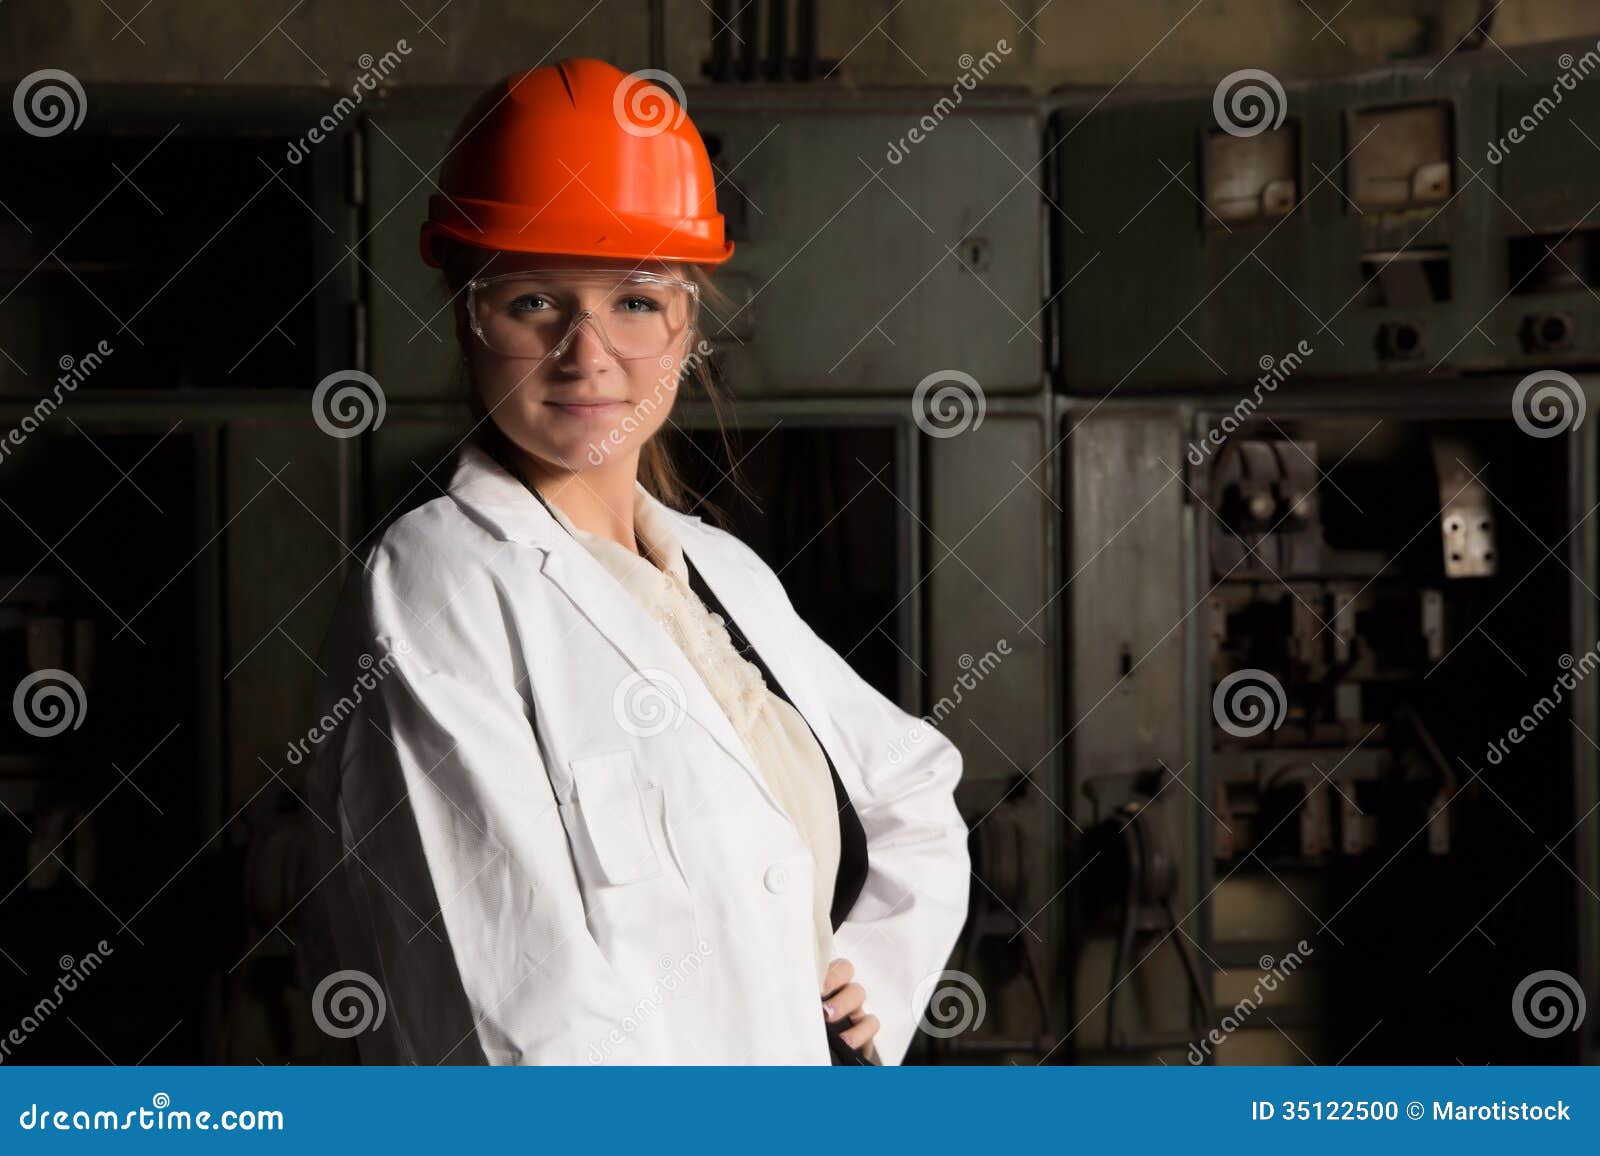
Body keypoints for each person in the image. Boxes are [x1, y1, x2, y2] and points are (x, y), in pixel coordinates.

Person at [304, 57, 970, 1065]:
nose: (587, 352)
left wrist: (869, 967)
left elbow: (914, 792)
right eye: (532, 301)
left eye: (635, 300)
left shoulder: (717, 571)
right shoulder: (441, 579)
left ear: (686, 323)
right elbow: (514, 1016)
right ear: (465, 313)